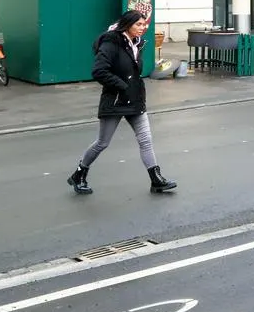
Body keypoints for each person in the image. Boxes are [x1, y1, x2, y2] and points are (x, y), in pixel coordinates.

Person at [68, 11, 176, 194]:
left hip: (135, 99)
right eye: (138, 24)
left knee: (145, 140)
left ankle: (156, 180)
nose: (143, 28)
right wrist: (122, 86)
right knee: (102, 143)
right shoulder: (111, 43)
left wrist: (133, 89)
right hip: (116, 100)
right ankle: (79, 174)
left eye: (144, 24)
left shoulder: (136, 43)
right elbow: (99, 71)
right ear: (127, 25)